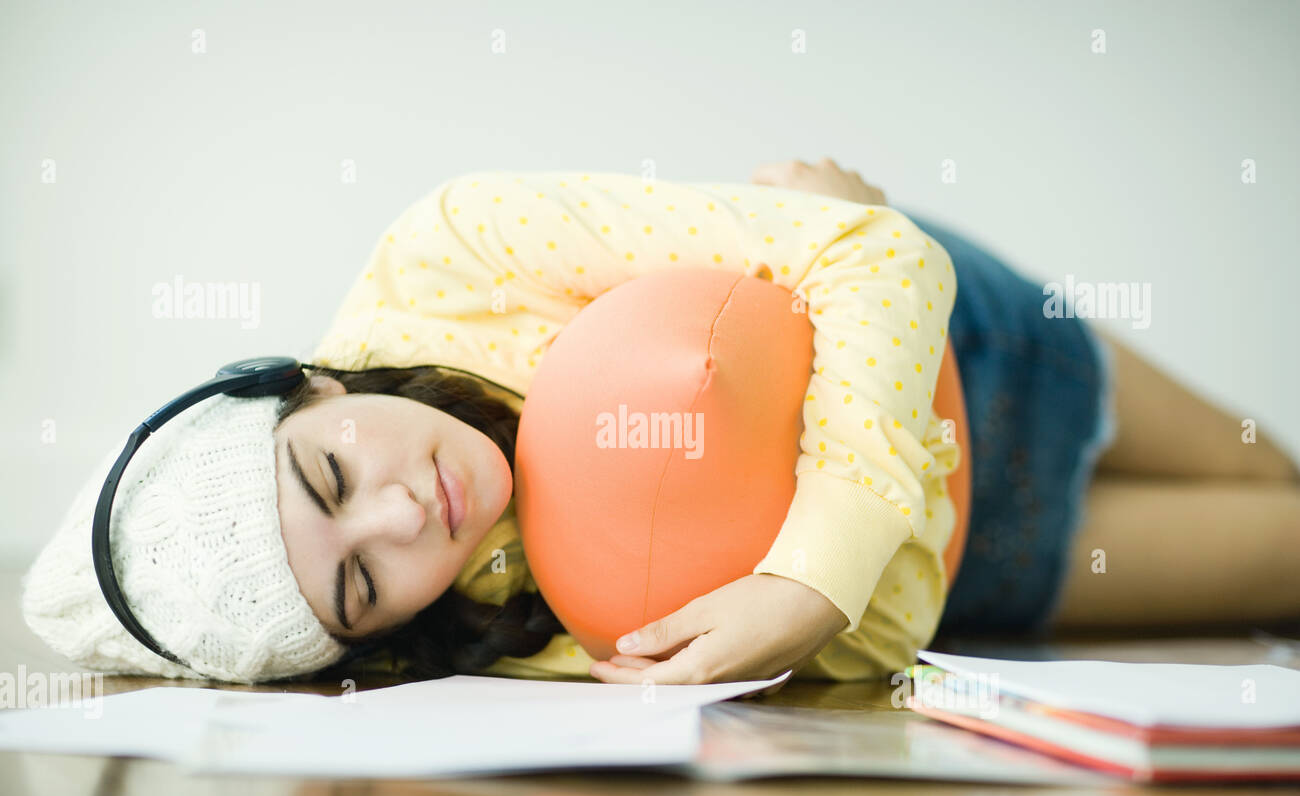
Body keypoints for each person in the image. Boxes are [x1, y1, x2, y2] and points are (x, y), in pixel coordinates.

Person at [21, 160, 1300, 687]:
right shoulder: (477, 647)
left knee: (1275, 473)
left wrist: (813, 567)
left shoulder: (450, 252)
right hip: (970, 567)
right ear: (374, 642)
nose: (403, 514)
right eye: (359, 582)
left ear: (302, 389)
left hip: (978, 352)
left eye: (327, 475)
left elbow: (866, 247)